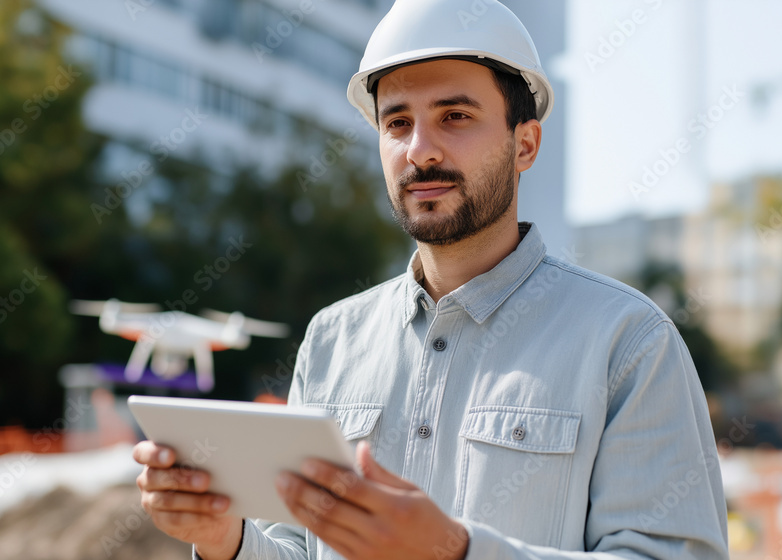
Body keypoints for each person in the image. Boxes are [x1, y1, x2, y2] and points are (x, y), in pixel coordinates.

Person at [133, 1, 730, 558]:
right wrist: (225, 539)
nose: (420, 150)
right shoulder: (331, 339)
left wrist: (455, 550)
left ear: (525, 144)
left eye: (455, 116)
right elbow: (295, 546)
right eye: (397, 123)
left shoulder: (628, 343)